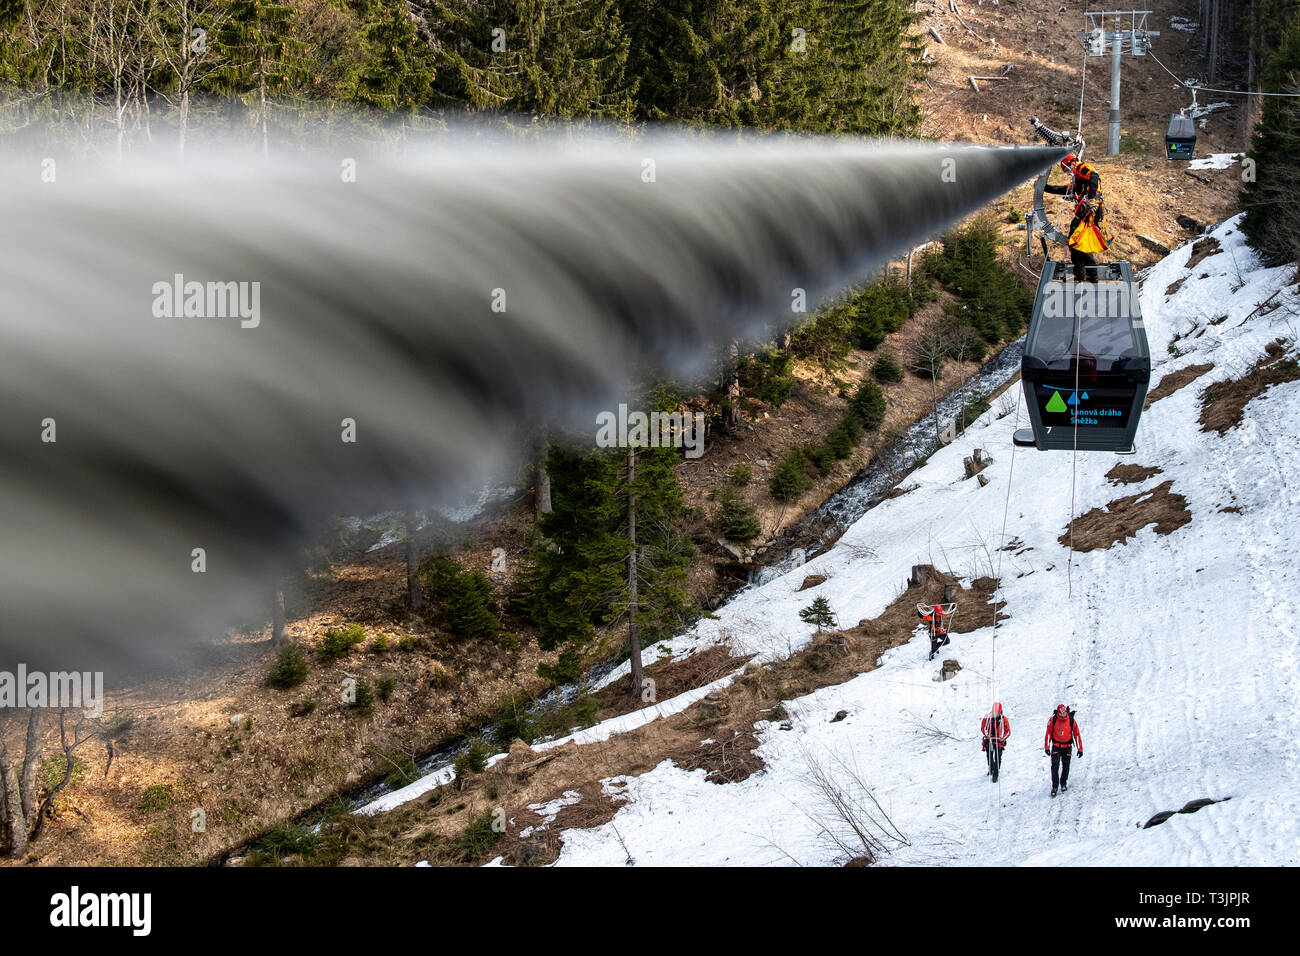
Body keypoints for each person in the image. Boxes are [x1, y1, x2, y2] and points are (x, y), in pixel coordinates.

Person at [1045, 154, 1109, 282]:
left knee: (1074, 242)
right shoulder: (1079, 180)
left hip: (1088, 210)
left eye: (1068, 170)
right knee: (1082, 241)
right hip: (1087, 211)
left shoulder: (1081, 168)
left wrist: (1091, 198)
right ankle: (1091, 274)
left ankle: (1080, 275)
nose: (1069, 174)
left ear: (1072, 164)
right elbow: (1065, 189)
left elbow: (1094, 176)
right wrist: (1045, 188)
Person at [1043, 704, 1083, 797]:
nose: (1063, 715)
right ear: (1058, 713)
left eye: (1064, 713)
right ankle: (1055, 787)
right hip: (1056, 746)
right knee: (1054, 767)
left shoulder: (1071, 720)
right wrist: (1047, 746)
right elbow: (1048, 733)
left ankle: (1063, 782)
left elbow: (1076, 734)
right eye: (1061, 713)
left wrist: (1079, 748)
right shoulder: (1053, 720)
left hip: (1067, 746)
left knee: (1066, 766)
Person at [980, 702, 1011, 782]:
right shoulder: (987, 718)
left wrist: (1003, 737)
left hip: (999, 741)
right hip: (989, 740)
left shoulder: (1004, 719)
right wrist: (987, 735)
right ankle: (991, 768)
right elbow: (983, 728)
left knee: (998, 758)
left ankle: (995, 775)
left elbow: (1007, 731)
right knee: (989, 756)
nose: (995, 714)